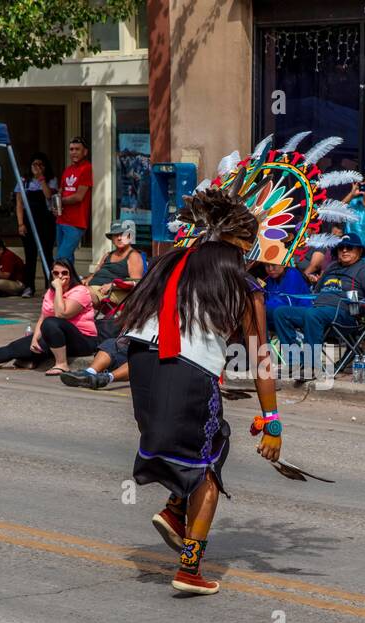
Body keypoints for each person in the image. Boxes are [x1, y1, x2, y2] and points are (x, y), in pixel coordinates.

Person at [121, 192, 282, 596]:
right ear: (247, 242)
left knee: (202, 443)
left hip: (142, 360)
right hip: (186, 367)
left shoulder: (172, 258)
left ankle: (176, 510)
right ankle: (190, 569)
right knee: (208, 464)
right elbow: (260, 356)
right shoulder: (244, 281)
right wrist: (272, 422)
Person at [0, 260, 97, 375]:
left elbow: (62, 314)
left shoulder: (80, 291)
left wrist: (58, 288)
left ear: (71, 274)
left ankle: (62, 364)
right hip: (57, 337)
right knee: (16, 347)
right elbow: (43, 317)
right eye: (56, 273)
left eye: (65, 273)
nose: (60, 277)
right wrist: (34, 339)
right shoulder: (50, 293)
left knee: (52, 323)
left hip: (83, 340)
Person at [271, 233, 365, 382]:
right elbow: (317, 291)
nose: (345, 251)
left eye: (349, 248)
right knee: (280, 312)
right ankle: (294, 361)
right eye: (341, 248)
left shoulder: (364, 269)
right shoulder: (332, 267)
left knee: (313, 315)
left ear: (359, 251)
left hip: (346, 314)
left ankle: (312, 366)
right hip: (319, 309)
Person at [15, 152, 58, 297]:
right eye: (35, 164)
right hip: (28, 221)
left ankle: (49, 287)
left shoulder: (51, 180)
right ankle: (29, 287)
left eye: (41, 164)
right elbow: (19, 203)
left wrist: (41, 179)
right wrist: (21, 224)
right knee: (30, 255)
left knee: (47, 254)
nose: (37, 167)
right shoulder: (23, 181)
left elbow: (48, 196)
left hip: (45, 221)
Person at [86, 221, 145, 312]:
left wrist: (114, 285)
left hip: (112, 293)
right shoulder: (108, 255)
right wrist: (83, 280)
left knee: (82, 293)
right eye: (116, 235)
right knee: (71, 288)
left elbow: (136, 283)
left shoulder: (133, 256)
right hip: (93, 289)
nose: (119, 238)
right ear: (112, 239)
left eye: (123, 234)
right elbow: (96, 274)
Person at [55, 137, 93, 266]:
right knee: (67, 261)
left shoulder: (87, 168)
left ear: (85, 152)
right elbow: (61, 191)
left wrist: (60, 201)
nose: (74, 152)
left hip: (76, 222)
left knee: (60, 259)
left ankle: (57, 286)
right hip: (61, 219)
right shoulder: (68, 169)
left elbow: (79, 196)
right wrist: (55, 203)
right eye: (71, 149)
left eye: (77, 149)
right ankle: (72, 285)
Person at [258, 260, 311, 334]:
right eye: (267, 266)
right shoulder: (269, 279)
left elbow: (288, 303)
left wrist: (262, 306)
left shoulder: (292, 273)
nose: (270, 269)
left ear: (283, 264)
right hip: (278, 314)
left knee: (261, 310)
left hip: (300, 312)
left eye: (273, 265)